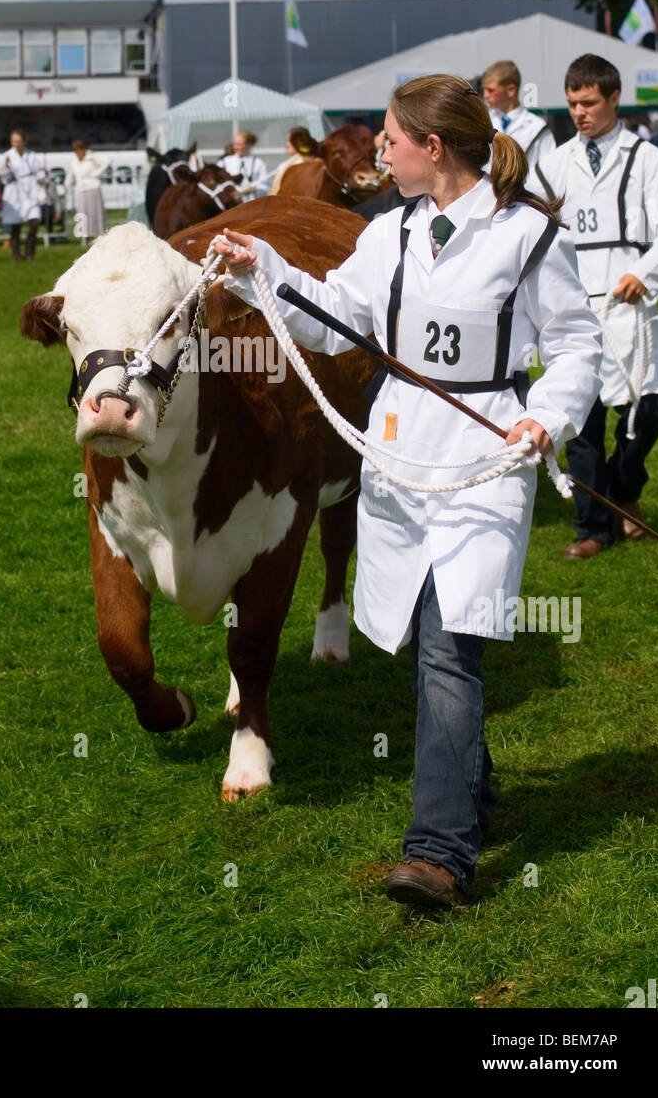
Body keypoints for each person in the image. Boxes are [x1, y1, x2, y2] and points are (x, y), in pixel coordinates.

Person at [214, 73, 602, 908]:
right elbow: (332, 317)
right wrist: (264, 266)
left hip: (485, 461)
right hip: (396, 459)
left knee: (450, 641)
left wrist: (546, 417)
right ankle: (472, 792)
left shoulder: (527, 236)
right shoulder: (386, 234)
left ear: (433, 147)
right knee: (430, 642)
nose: (378, 152)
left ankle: (439, 851)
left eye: (390, 138)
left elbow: (575, 347)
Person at [532, 54, 658, 558]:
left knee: (650, 411)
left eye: (589, 102)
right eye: (572, 104)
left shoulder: (649, 160)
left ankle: (625, 491)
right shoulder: (551, 168)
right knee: (582, 425)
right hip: (575, 309)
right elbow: (534, 236)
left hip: (631, 301)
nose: (580, 113)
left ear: (614, 98)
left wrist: (645, 273)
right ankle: (592, 528)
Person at [481, 60, 556, 165]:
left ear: (511, 90)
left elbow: (549, 168)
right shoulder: (484, 121)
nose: (485, 95)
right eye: (484, 90)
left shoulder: (537, 127)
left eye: (491, 90)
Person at [0, 129, 45, 261]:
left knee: (35, 221)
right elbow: (3, 178)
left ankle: (30, 253)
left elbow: (38, 173)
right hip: (14, 193)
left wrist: (44, 174)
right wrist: (6, 167)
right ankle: (16, 255)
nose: (16, 144)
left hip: (31, 193)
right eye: (14, 142)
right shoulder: (7, 156)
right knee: (15, 226)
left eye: (19, 141)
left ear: (24, 141)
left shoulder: (31, 155)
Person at [65, 140, 108, 246]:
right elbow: (70, 175)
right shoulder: (73, 161)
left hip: (93, 187)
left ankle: (97, 236)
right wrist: (65, 186)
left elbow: (107, 162)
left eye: (80, 149)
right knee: (82, 213)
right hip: (80, 189)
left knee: (94, 213)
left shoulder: (92, 157)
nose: (79, 152)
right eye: (76, 150)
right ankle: (84, 237)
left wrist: (96, 173)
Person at [268, 126, 322, 195]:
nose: (287, 144)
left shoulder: (310, 162)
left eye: (291, 141)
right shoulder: (286, 164)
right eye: (287, 141)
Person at [219, 131, 272, 199]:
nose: (236, 147)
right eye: (235, 144)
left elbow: (266, 187)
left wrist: (254, 189)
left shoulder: (258, 163)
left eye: (239, 144)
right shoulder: (224, 162)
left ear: (248, 145)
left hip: (250, 204)